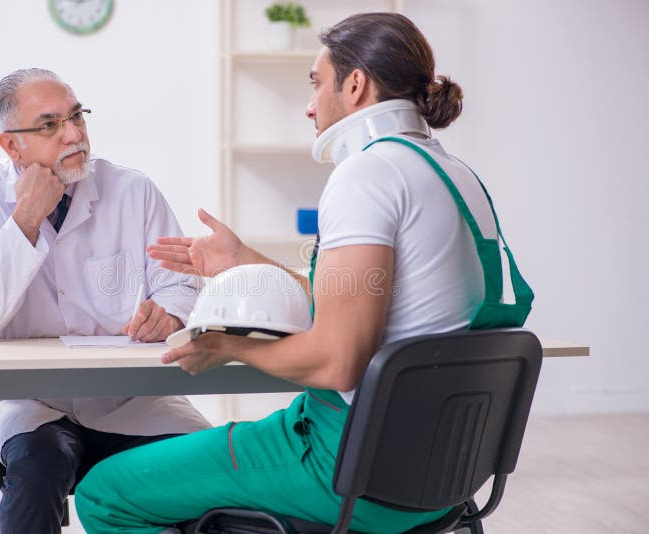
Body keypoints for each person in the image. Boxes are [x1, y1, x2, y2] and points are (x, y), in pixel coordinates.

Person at [75, 12, 531, 534]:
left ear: (355, 84)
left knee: (104, 493)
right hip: (441, 476)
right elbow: (358, 300)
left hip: (346, 465)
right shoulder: (453, 174)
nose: (311, 106)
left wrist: (227, 345)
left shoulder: (366, 175)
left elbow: (339, 363)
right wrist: (243, 260)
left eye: (317, 84)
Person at [0, 68, 211, 534]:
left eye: (77, 117)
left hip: (131, 398)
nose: (73, 135)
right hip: (26, 400)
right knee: (40, 458)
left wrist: (168, 314)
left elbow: (180, 284)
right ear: (12, 146)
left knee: (204, 462)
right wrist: (25, 219)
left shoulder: (133, 190)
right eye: (49, 125)